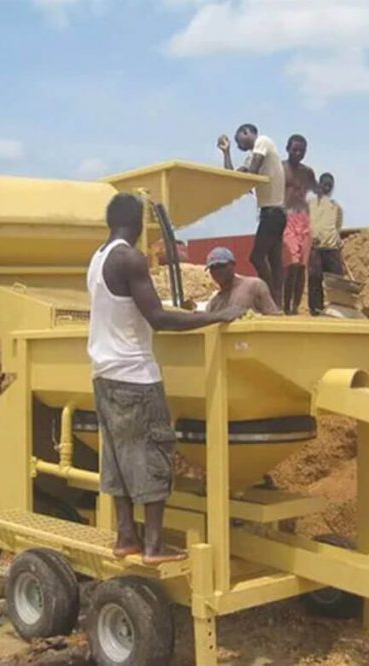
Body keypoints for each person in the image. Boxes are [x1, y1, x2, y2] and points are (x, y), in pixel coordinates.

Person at [87, 193, 244, 565]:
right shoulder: (130, 257)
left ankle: (127, 536)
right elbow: (158, 318)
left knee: (118, 456)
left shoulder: (97, 260)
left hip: (104, 374)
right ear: (138, 222)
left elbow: (133, 310)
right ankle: (154, 546)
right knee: (154, 451)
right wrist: (216, 317)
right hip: (135, 375)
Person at [217, 124, 286, 304]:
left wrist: (245, 181)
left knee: (256, 257)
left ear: (247, 132)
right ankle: (278, 304)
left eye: (239, 140)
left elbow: (251, 173)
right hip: (271, 213)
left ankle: (269, 298)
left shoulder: (263, 142)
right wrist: (226, 153)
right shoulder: (253, 156)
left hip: (273, 212)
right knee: (274, 261)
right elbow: (234, 179)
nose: (239, 146)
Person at [282, 134, 317, 315]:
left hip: (304, 218)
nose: (298, 153)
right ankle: (285, 305)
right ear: (287, 148)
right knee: (291, 265)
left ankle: (295, 306)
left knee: (302, 266)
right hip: (287, 218)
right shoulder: (280, 169)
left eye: (301, 151)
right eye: (295, 149)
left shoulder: (308, 172)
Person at [205, 246, 281, 315]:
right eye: (213, 268)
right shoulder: (214, 303)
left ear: (232, 265)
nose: (217, 271)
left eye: (221, 266)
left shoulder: (254, 286)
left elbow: (273, 315)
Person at [308, 173, 344, 315]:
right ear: (319, 185)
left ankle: (337, 308)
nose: (327, 187)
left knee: (336, 280)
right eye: (325, 184)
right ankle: (316, 309)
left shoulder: (336, 208)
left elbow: (337, 227)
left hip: (332, 249)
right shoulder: (310, 204)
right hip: (315, 249)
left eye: (330, 185)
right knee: (315, 278)